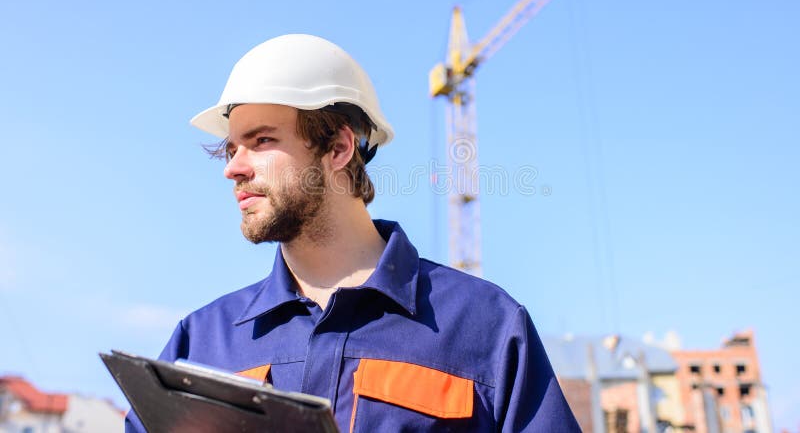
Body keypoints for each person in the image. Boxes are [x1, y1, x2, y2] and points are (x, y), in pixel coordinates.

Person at [125, 34, 580, 432]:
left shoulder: (489, 329)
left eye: (262, 141)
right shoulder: (200, 342)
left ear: (339, 148)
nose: (233, 168)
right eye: (230, 148)